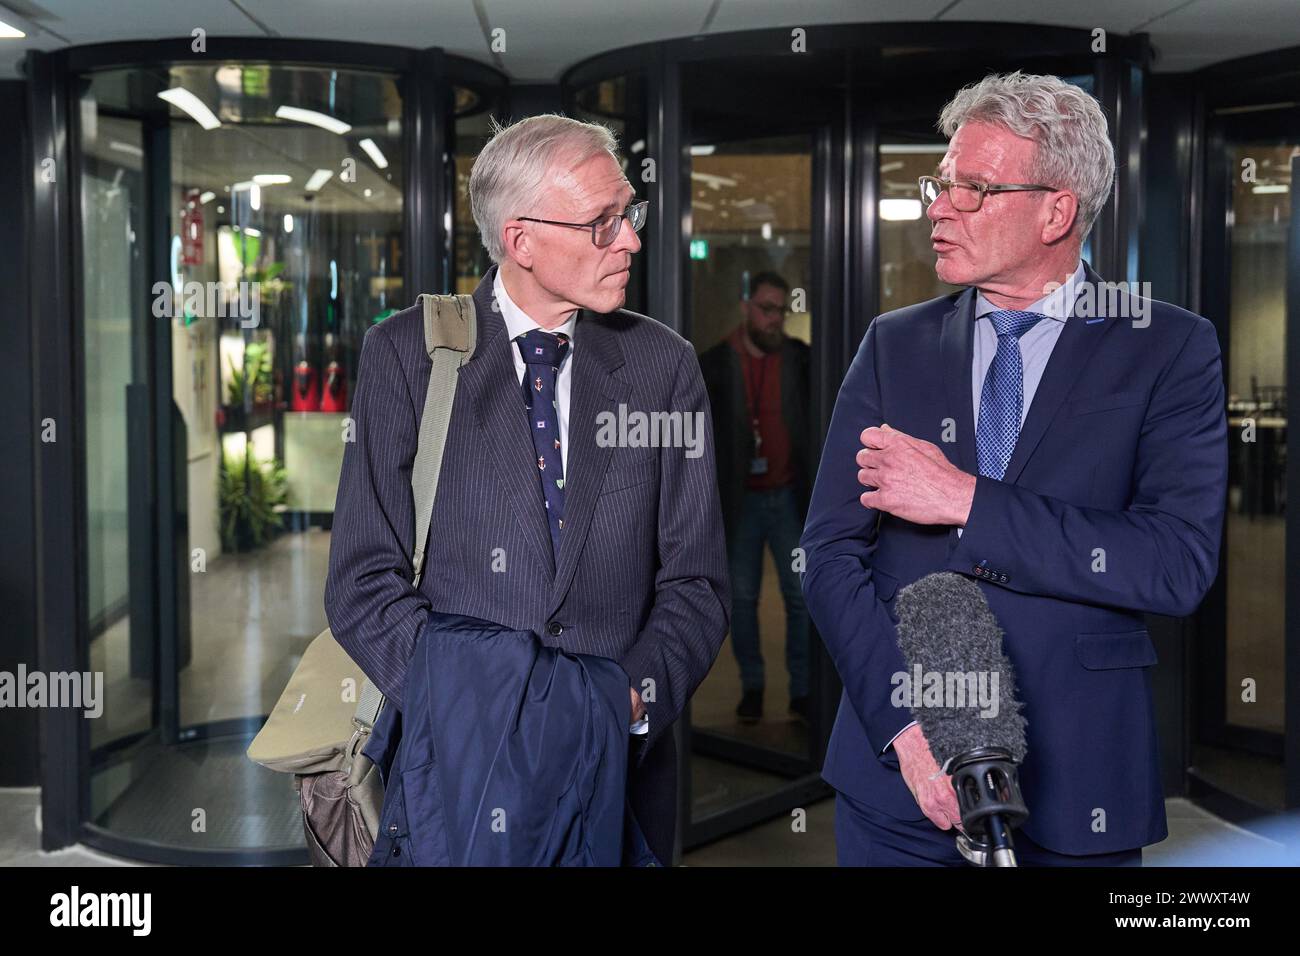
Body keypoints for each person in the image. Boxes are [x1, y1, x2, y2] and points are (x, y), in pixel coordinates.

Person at [800, 72, 1226, 866]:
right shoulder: (895, 344)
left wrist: (966, 500)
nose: (939, 207)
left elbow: (1175, 564)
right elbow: (829, 554)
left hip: (1082, 784)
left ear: (1056, 210)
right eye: (941, 183)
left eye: (974, 189)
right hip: (899, 784)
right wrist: (907, 730)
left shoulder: (1168, 347)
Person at [325, 114, 730, 867]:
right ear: (522, 241)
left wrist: (627, 702)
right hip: (458, 782)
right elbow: (362, 583)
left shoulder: (662, 367)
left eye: (628, 215)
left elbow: (697, 583)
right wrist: (488, 711)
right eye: (602, 224)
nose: (631, 240)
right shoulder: (409, 355)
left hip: (621, 774)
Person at [699, 272, 812, 724]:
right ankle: (753, 687)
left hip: (787, 494)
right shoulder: (715, 363)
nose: (773, 319)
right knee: (742, 598)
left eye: (780, 310)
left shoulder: (800, 360)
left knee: (800, 595)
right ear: (746, 307)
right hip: (740, 499)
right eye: (766, 309)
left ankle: (803, 691)